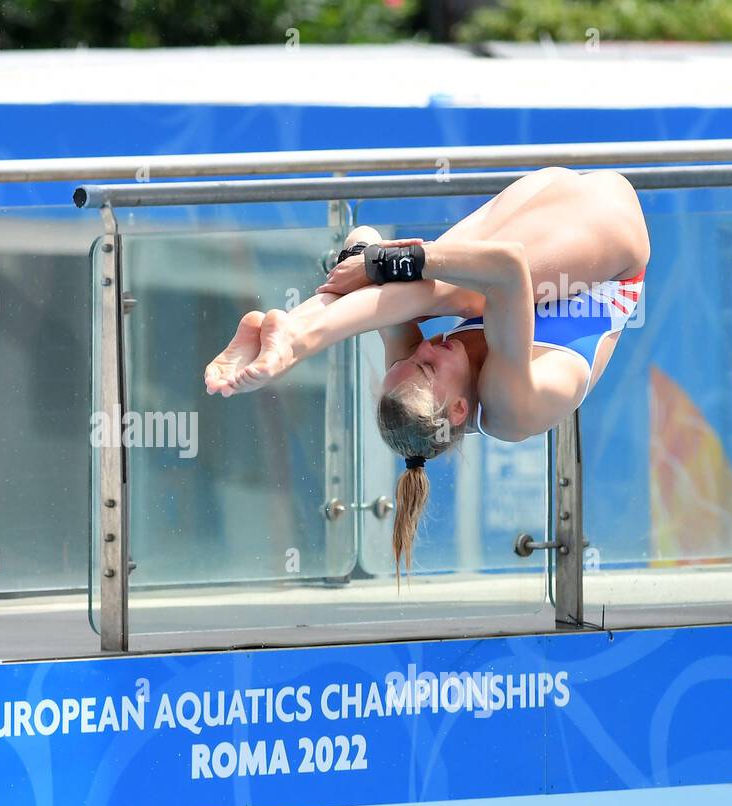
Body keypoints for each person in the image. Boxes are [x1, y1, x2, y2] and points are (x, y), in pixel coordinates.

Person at [204, 166, 650, 576]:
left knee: (425, 283)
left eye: (413, 358)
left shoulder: (429, 371)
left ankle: (289, 328)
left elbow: (363, 236)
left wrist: (369, 260)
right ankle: (296, 343)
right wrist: (383, 263)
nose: (429, 347)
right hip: (612, 233)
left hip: (549, 193)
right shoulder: (508, 408)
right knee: (442, 287)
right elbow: (509, 267)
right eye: (427, 365)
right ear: (458, 409)